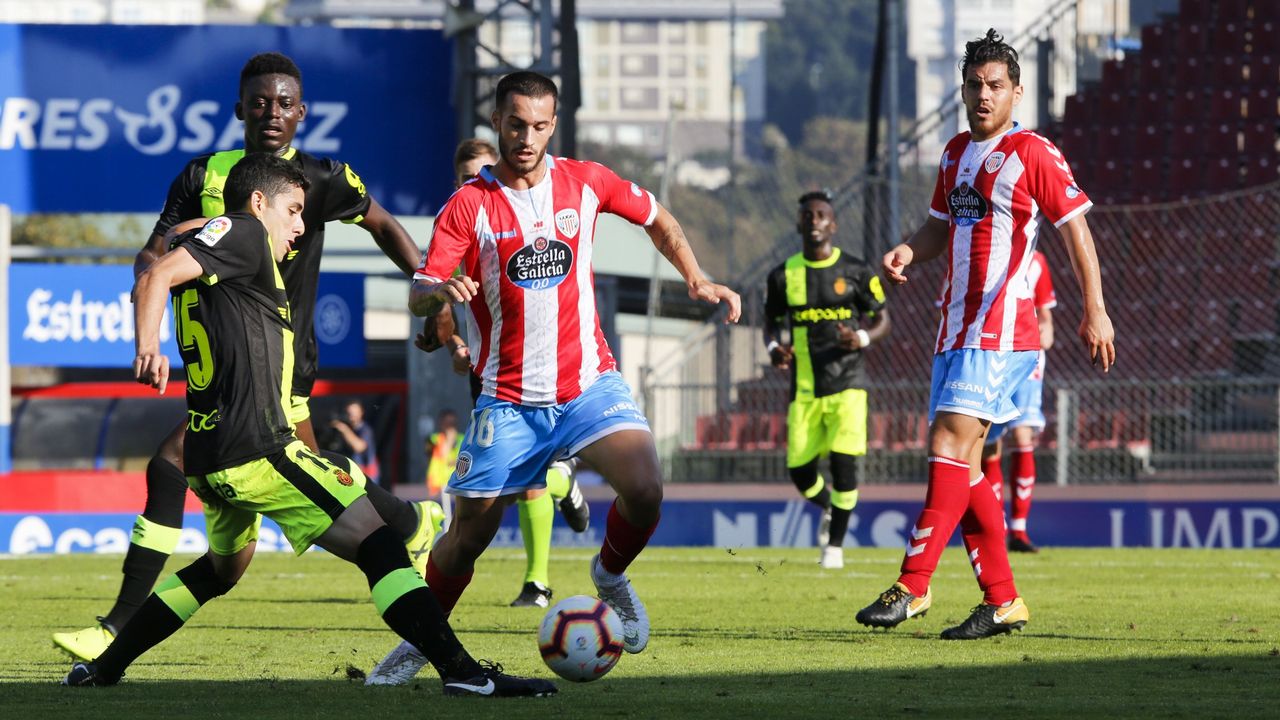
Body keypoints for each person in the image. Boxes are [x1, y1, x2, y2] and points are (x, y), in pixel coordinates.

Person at [61, 154, 554, 697]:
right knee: (380, 544)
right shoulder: (244, 235)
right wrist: (148, 348)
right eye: (294, 211)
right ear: (256, 204)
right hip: (258, 451)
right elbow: (158, 272)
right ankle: (466, 675)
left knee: (220, 572)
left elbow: (161, 255)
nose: (301, 226)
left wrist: (188, 233)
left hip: (207, 455)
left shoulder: (213, 243)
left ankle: (102, 667)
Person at [52, 52, 443, 663]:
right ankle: (412, 524)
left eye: (284, 103)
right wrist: (155, 286)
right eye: (260, 102)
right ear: (239, 109)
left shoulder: (322, 177)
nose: (272, 113)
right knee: (271, 509)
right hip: (237, 362)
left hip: (285, 361)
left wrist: (429, 287)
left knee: (176, 462)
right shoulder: (204, 175)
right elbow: (152, 257)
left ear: (302, 112)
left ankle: (114, 631)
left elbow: (384, 225)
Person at [387, 70, 739, 665]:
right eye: (516, 124)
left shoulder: (586, 182)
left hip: (587, 386)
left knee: (646, 490)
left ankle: (608, 576)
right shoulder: (468, 205)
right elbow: (419, 293)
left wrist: (695, 275)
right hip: (508, 398)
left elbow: (657, 217)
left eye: (539, 126)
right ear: (496, 122)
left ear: (554, 125)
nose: (527, 137)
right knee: (466, 537)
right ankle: (417, 646)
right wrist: (442, 291)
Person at [855, 30, 1115, 640]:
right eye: (974, 85)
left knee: (950, 442)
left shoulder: (1033, 152)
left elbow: (1077, 232)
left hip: (1001, 330)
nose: (982, 96)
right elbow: (938, 230)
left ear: (1016, 92)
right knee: (965, 467)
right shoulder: (952, 155)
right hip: (955, 326)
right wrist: (906, 251)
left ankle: (912, 585)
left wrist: (1094, 308)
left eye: (995, 86)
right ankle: (1002, 601)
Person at [763, 189, 890, 570]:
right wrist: (774, 349)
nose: (814, 220)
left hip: (848, 386)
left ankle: (833, 548)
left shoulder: (857, 271)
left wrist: (863, 337)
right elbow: (771, 325)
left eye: (821, 215)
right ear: (799, 223)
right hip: (804, 388)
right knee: (800, 474)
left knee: (844, 464)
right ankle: (831, 509)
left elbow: (883, 318)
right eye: (808, 215)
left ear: (833, 224)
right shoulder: (782, 275)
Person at [981, 249, 1055, 553]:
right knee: (989, 441)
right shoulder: (976, 249)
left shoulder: (1036, 260)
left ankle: (1019, 530)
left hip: (1026, 354)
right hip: (986, 352)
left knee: (1023, 432)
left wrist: (1044, 335)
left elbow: (1046, 315)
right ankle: (994, 529)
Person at [329, 400, 381, 488]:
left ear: (361, 412)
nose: (352, 417)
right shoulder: (347, 429)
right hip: (352, 475)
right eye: (349, 413)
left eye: (354, 413)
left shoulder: (365, 429)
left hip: (367, 475)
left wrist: (344, 429)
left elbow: (359, 447)